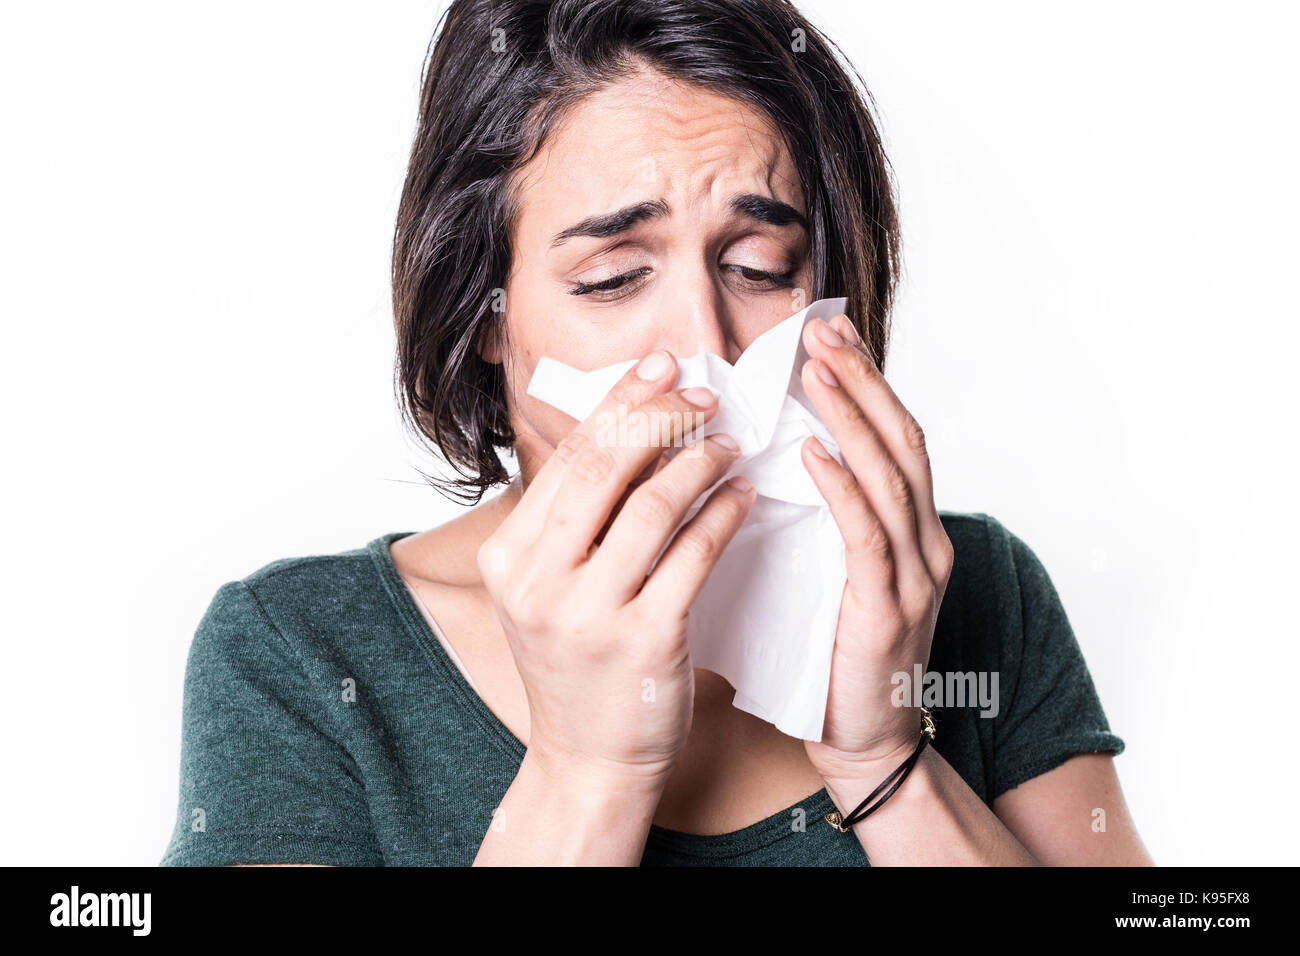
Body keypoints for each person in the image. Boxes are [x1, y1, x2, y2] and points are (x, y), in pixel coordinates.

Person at [162, 0, 1152, 866]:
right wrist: (586, 771)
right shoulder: (298, 654)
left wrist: (883, 759)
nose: (704, 341)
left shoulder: (965, 589)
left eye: (761, 265)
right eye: (612, 276)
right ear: (489, 315)